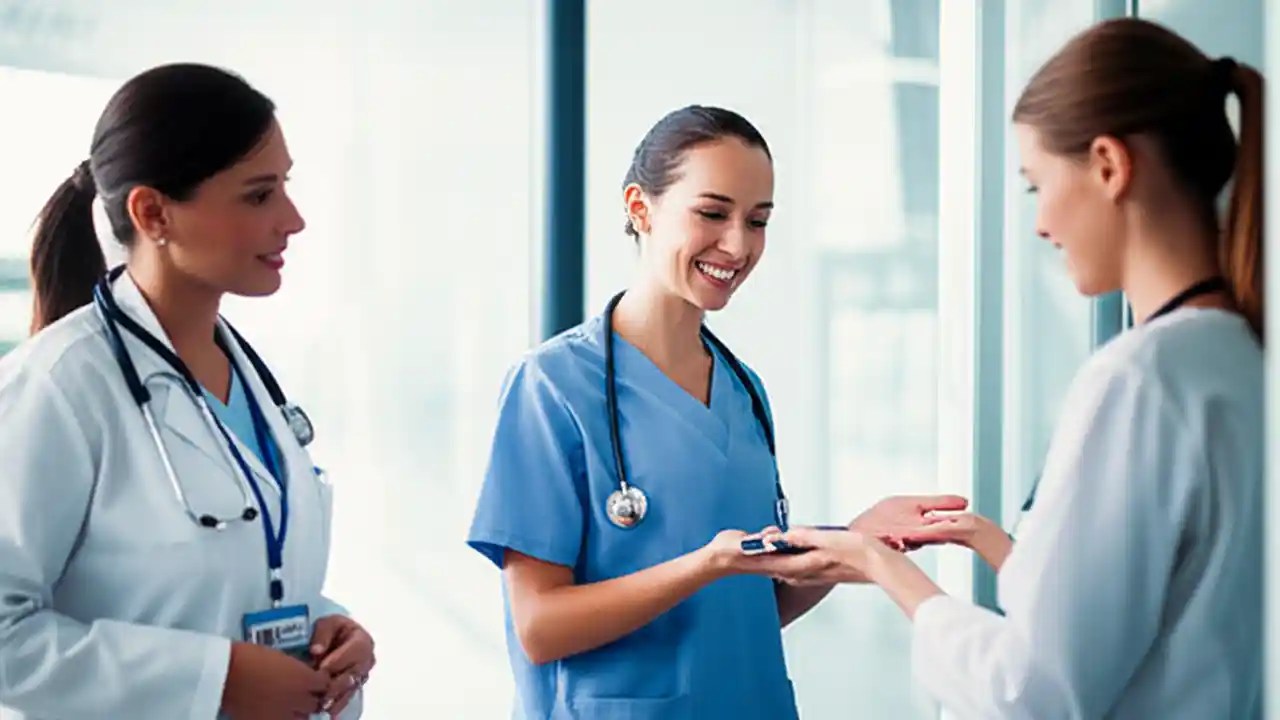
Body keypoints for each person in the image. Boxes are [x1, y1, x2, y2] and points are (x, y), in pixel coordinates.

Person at [767, 18, 1265, 719]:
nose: (1040, 225)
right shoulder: (1242, 361)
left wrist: (884, 567)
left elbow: (1034, 691)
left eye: (1036, 187)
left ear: (1108, 166)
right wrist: (992, 542)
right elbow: (1151, 616)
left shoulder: (1140, 380)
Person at [466, 104, 966, 718]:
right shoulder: (551, 388)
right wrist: (705, 564)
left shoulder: (743, 390)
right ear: (640, 208)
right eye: (712, 213)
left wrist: (852, 542)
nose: (738, 244)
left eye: (757, 221)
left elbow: (752, 611)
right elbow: (540, 627)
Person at [0, 63, 374, 719]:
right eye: (259, 196)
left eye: (285, 186)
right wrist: (214, 678)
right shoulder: (59, 386)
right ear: (152, 212)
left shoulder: (250, 377)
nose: (294, 220)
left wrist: (328, 626)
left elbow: (230, 578)